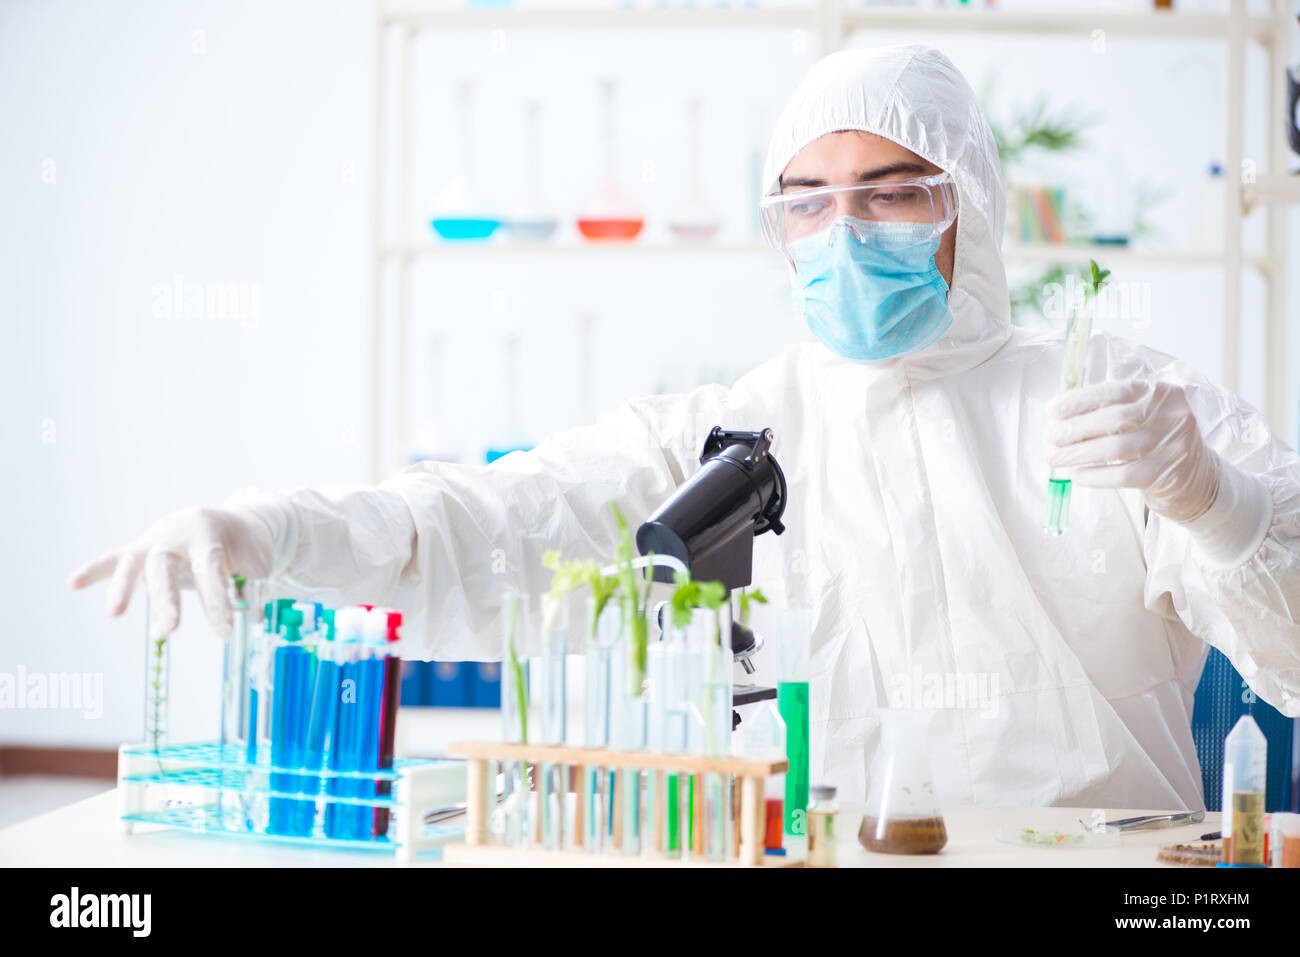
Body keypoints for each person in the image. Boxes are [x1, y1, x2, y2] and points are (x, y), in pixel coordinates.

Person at [71, 45, 1300, 809]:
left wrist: (1210, 498)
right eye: (807, 204)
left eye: (892, 194)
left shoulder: (1112, 399)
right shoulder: (735, 431)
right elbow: (488, 522)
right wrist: (267, 528)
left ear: (969, 203)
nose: (845, 231)